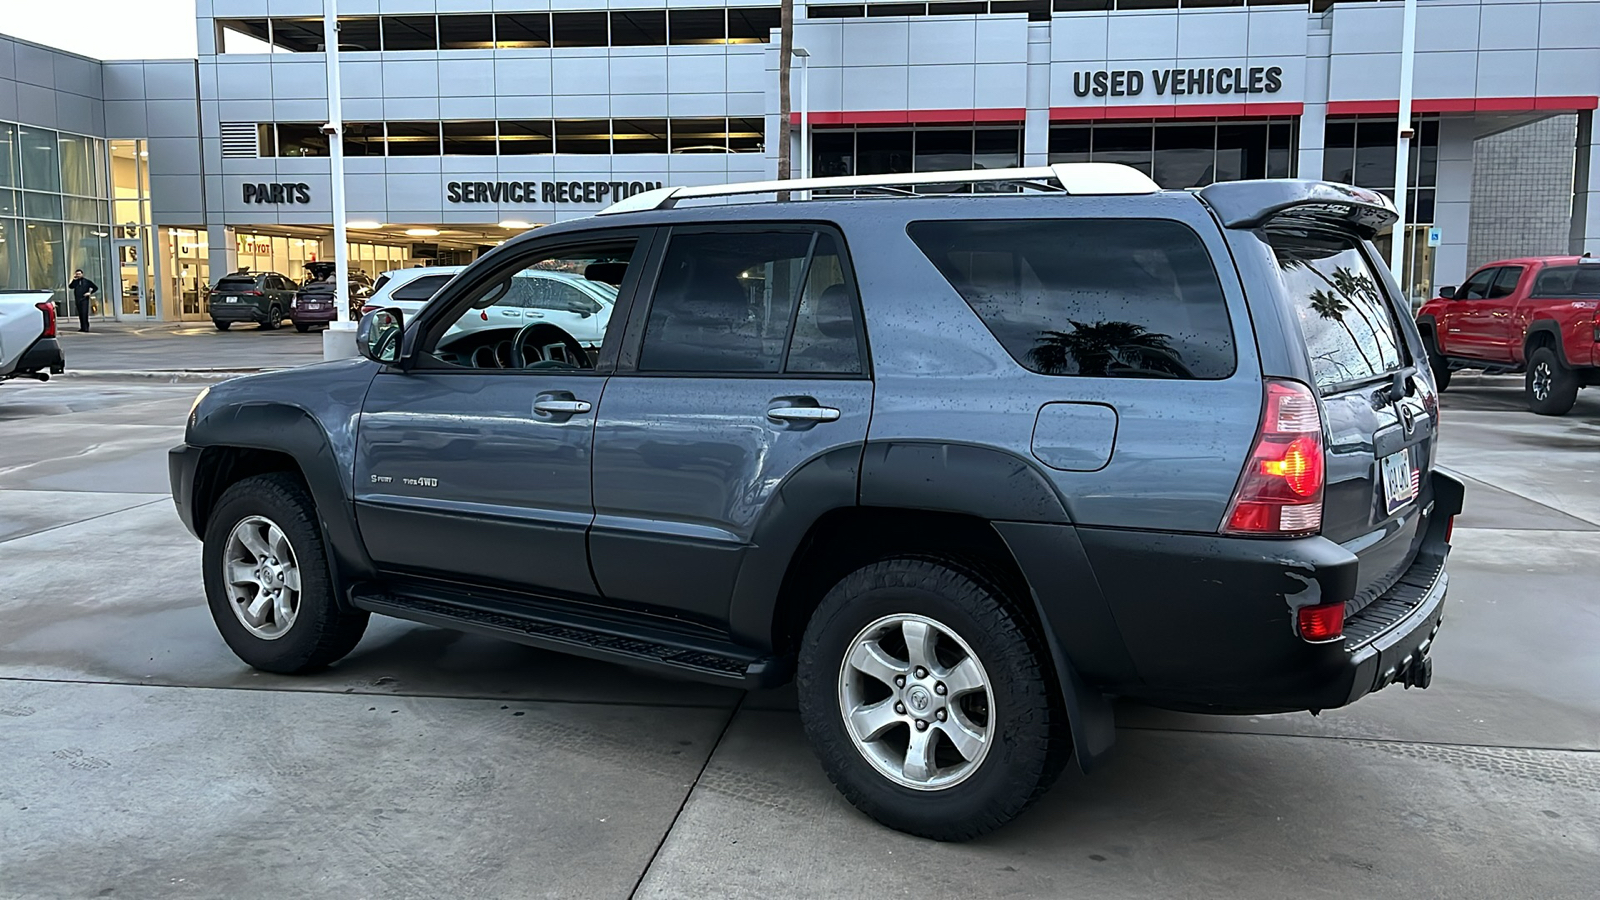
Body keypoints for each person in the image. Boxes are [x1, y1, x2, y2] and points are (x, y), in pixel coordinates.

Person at [67, 268, 99, 333]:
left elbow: (95, 288)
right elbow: (70, 287)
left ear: (82, 274)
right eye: (77, 274)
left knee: (84, 314)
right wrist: (74, 280)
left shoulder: (86, 281)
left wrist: (89, 293)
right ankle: (82, 327)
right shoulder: (75, 282)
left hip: (84, 300)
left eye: (79, 274)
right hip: (78, 299)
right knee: (80, 314)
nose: (78, 275)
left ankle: (86, 327)